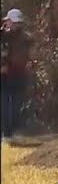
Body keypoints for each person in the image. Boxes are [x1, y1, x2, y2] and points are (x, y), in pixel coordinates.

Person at [2, 9, 33, 137]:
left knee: (11, 104)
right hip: (12, 74)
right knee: (11, 103)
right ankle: (10, 131)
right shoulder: (26, 38)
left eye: (9, 21)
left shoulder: (10, 37)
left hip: (12, 74)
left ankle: (10, 131)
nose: (7, 23)